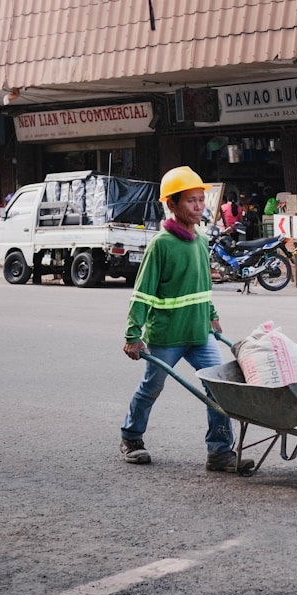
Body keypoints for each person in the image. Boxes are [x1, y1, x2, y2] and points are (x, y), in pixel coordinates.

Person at [120, 166, 254, 473]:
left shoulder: (201, 240)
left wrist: (212, 316)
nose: (198, 206)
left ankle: (219, 451)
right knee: (151, 388)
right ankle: (131, 437)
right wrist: (132, 335)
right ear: (172, 205)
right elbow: (142, 294)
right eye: (191, 200)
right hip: (166, 335)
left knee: (219, 387)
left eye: (201, 199)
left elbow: (202, 286)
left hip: (198, 333)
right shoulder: (161, 245)